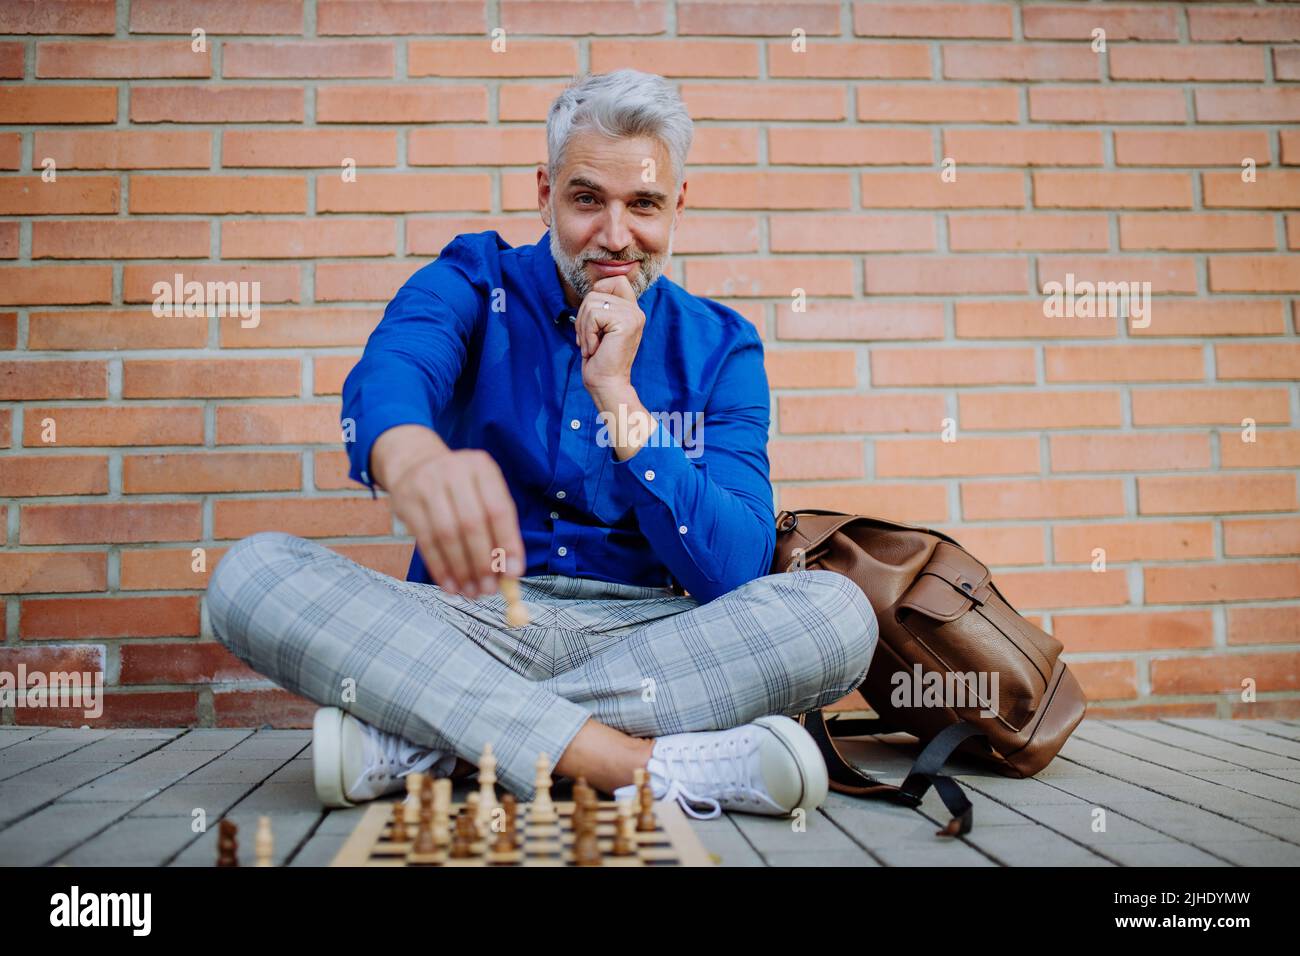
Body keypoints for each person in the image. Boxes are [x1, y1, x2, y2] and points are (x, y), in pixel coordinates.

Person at [208, 68, 879, 821]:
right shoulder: (474, 276)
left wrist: (619, 399)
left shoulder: (723, 345)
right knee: (253, 575)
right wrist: (412, 456)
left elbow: (736, 568)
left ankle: (435, 744)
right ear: (545, 191)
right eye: (588, 199)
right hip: (474, 627)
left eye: (645, 205)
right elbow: (395, 365)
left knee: (837, 616)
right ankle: (634, 762)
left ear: (678, 206)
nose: (616, 236)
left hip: (655, 638)